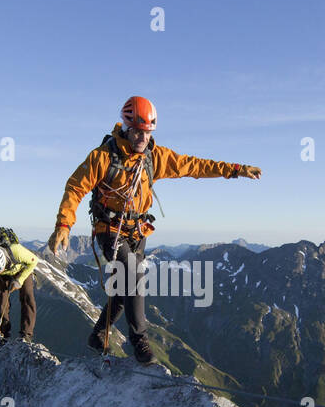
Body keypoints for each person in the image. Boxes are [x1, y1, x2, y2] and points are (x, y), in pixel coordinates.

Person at [47, 96, 262, 364]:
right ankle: (139, 341)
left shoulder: (154, 157)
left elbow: (193, 165)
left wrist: (236, 170)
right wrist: (64, 225)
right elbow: (75, 187)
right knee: (133, 277)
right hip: (109, 230)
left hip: (137, 232)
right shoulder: (103, 157)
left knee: (125, 290)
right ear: (126, 127)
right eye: (138, 132)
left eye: (147, 132)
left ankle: (98, 335)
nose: (142, 138)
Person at [0, 226, 38, 345]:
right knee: (1, 303)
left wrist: (19, 280)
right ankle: (3, 335)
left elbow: (34, 261)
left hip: (22, 269)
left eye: (0, 270)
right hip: (5, 275)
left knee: (27, 297)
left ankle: (26, 335)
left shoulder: (15, 250)